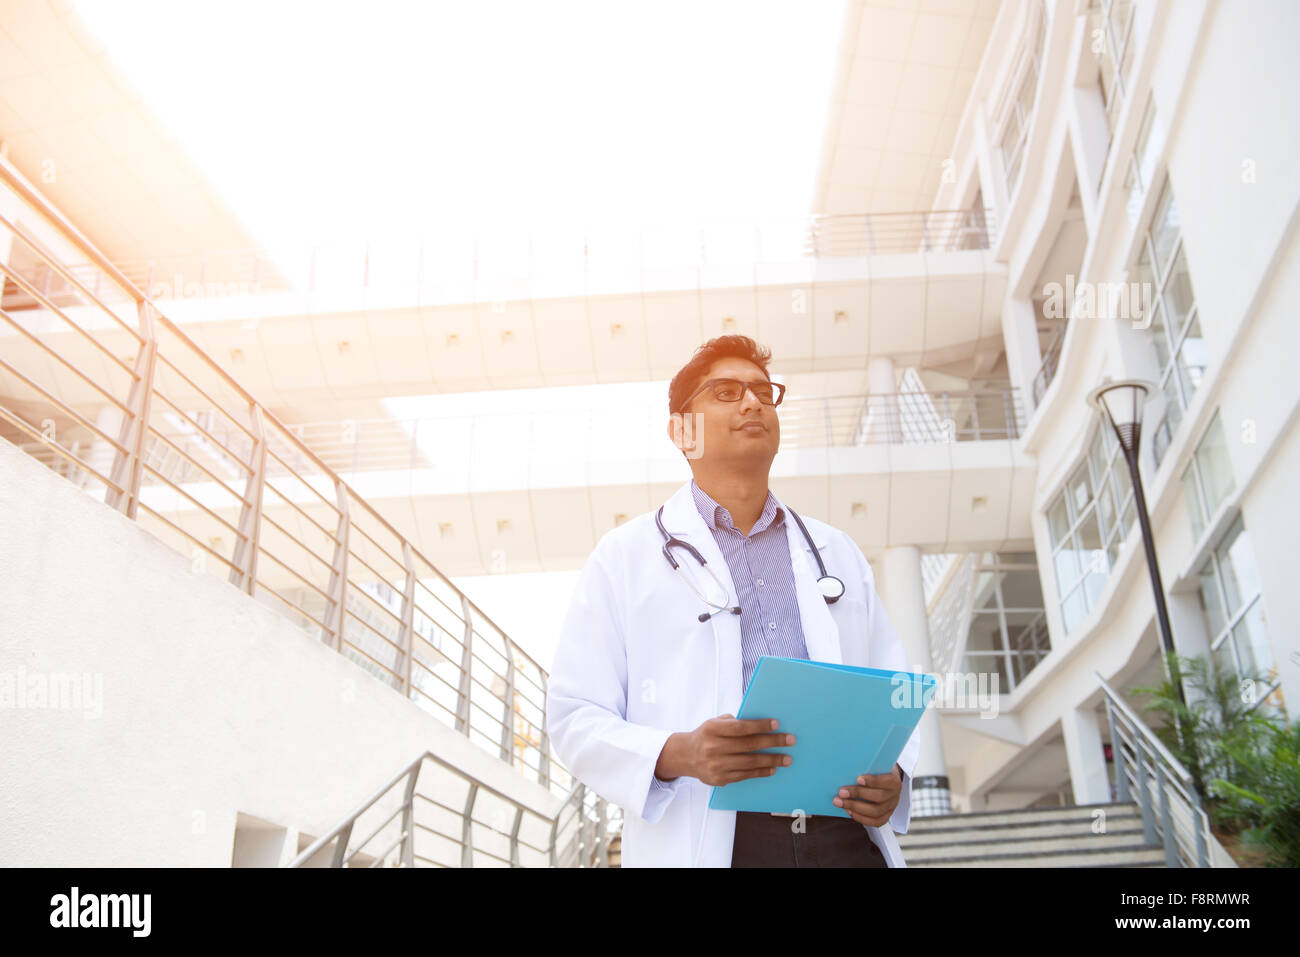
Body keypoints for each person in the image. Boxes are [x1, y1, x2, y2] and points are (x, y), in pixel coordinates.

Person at [545, 335, 920, 867]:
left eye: (764, 393)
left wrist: (895, 776)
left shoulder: (837, 552)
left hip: (844, 836)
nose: (752, 403)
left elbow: (896, 687)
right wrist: (681, 753)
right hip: (717, 839)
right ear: (681, 430)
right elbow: (574, 716)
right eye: (726, 392)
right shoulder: (624, 558)